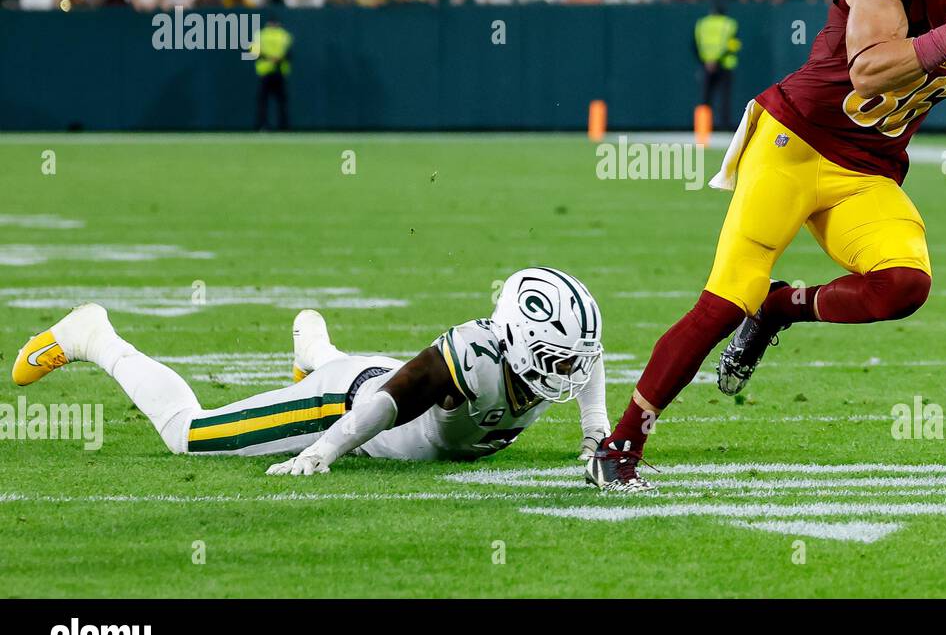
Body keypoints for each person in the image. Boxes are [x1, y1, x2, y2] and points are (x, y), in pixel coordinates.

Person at [587, 0, 946, 491]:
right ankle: (620, 443)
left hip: (869, 170)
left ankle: (779, 309)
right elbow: (871, 67)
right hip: (793, 145)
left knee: (904, 284)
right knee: (720, 301)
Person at [11, 268, 610, 471]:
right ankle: (93, 336)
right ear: (517, 339)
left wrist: (594, 434)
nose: (570, 371)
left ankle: (313, 346)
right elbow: (383, 404)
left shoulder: (552, 359)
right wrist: (323, 451)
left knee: (356, 370)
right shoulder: (471, 357)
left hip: (384, 389)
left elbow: (594, 362)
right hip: (348, 404)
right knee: (188, 436)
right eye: (558, 357)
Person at [694, 0, 741, 126]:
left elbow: (696, 44)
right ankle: (724, 126)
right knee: (724, 98)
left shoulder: (702, 24)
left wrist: (708, 60)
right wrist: (717, 59)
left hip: (706, 64)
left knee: (704, 98)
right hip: (724, 64)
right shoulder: (729, 24)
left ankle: (703, 129)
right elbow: (733, 45)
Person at [251, 19, 292, 131]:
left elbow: (253, 52)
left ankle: (262, 126)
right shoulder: (284, 35)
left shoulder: (260, 35)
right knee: (281, 101)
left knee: (263, 101)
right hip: (279, 70)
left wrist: (268, 58)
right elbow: (289, 53)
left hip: (265, 71)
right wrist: (277, 59)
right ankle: (283, 127)